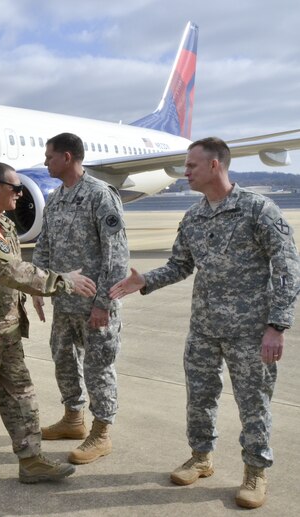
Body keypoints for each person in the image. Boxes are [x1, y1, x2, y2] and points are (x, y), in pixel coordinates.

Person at [110, 137, 300, 509]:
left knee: (254, 403)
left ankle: (255, 471)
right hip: (204, 329)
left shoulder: (258, 210)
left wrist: (277, 325)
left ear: (214, 165)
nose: (185, 172)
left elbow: (287, 269)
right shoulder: (194, 217)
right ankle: (200, 458)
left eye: (191, 166)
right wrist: (145, 280)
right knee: (199, 398)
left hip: (250, 332)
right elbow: (181, 265)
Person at [0, 161, 97, 487]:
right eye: (15, 188)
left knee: (22, 396)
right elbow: (9, 270)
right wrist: (63, 281)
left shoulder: (2, 223)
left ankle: (31, 460)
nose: (20, 194)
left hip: (6, 328)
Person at [31, 132, 129, 465]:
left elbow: (116, 255)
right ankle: (73, 419)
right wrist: (39, 287)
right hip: (64, 302)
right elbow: (44, 245)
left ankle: (101, 433)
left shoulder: (100, 195)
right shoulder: (57, 198)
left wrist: (104, 303)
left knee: (98, 367)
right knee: (64, 360)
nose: (46, 162)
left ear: (67, 157)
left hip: (94, 306)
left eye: (50, 156)